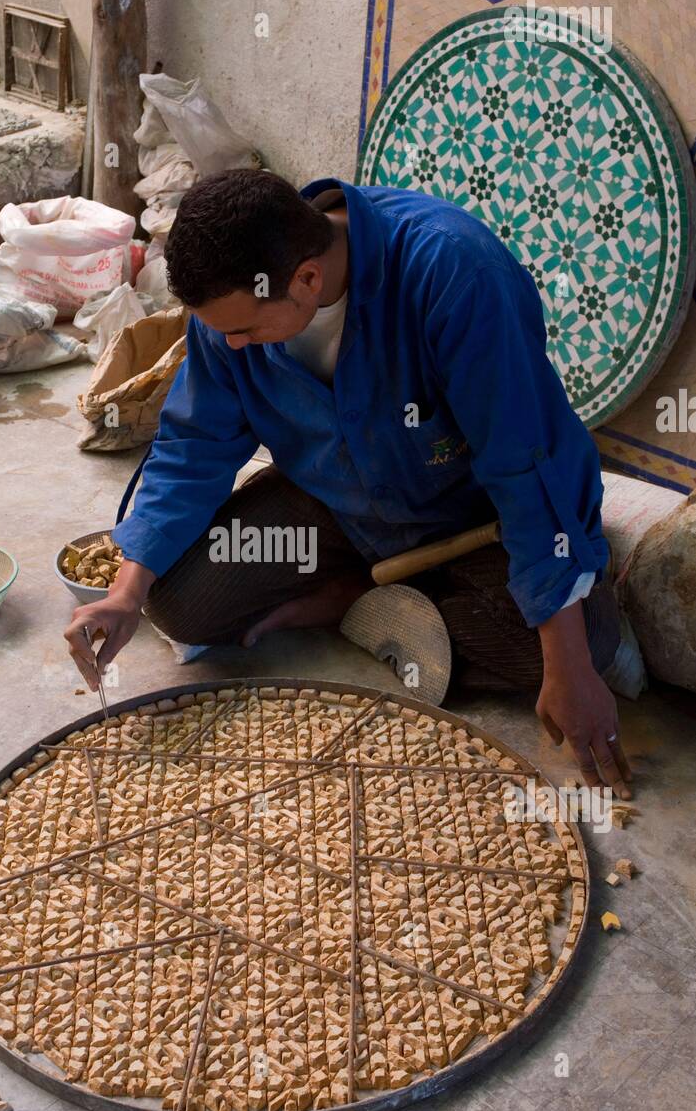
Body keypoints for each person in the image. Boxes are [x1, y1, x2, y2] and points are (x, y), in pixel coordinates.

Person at [65, 169, 635, 798]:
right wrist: (125, 591)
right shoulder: (232, 309)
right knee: (180, 603)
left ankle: (356, 596)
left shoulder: (453, 271)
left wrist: (570, 663)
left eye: (245, 331)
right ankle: (367, 589)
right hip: (335, 498)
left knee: (577, 649)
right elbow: (195, 446)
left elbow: (524, 459)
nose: (230, 344)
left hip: (471, 518)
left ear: (307, 278)